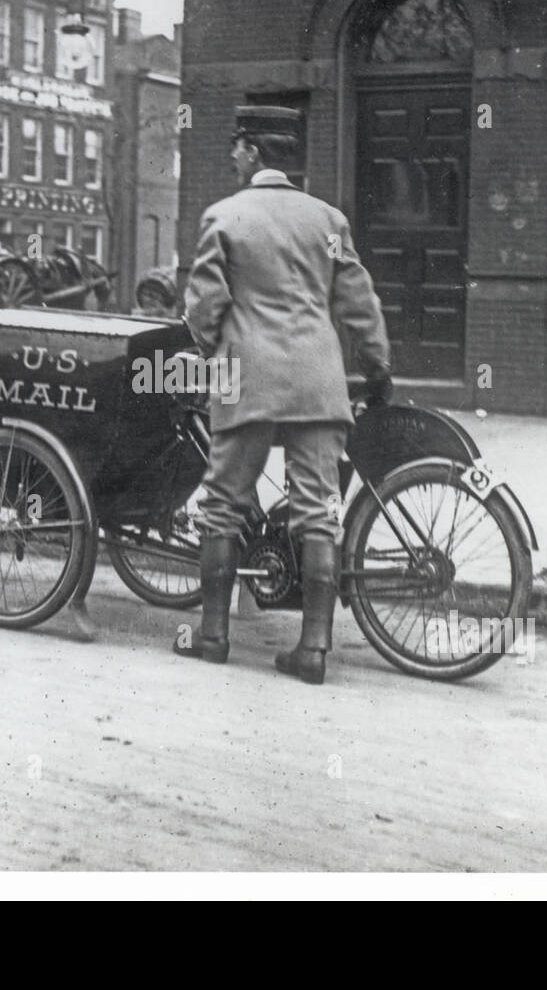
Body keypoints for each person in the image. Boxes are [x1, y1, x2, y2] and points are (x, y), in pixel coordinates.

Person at [175, 105, 392, 685]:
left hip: (248, 379)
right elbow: (359, 300)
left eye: (236, 146)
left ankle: (214, 637)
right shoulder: (329, 221)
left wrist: (213, 351)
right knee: (319, 511)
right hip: (319, 383)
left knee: (223, 504)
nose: (232, 156)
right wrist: (377, 366)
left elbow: (203, 306)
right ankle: (313, 649)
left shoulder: (225, 216)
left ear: (252, 152)